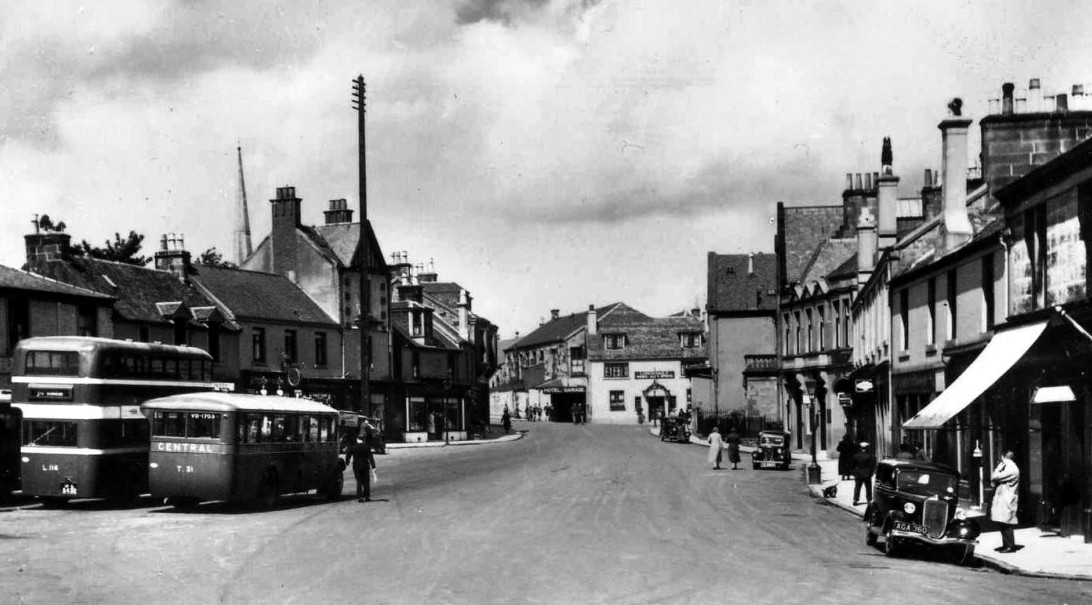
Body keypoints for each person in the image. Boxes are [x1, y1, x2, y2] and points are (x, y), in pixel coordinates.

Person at [991, 450, 1021, 553]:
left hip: (1007, 499)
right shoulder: (1010, 468)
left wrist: (999, 467)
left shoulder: (1011, 469)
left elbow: (994, 476)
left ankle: (1010, 546)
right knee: (1003, 522)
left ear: (1004, 458)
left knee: (1006, 523)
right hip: (1004, 498)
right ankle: (1006, 545)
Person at [344, 433, 377, 503]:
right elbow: (371, 457)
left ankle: (360, 497)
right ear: (363, 439)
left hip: (356, 466)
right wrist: (373, 466)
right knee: (366, 482)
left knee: (359, 481)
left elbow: (348, 455)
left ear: (357, 439)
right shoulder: (366, 447)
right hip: (365, 465)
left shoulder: (353, 447)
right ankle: (367, 496)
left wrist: (347, 462)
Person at [851, 442, 876, 506]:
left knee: (857, 487)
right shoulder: (870, 456)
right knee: (868, 488)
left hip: (858, 474)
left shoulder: (855, 456)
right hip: (867, 474)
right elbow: (872, 466)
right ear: (867, 448)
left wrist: (854, 473)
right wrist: (871, 473)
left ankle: (855, 500)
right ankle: (869, 500)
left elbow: (852, 466)